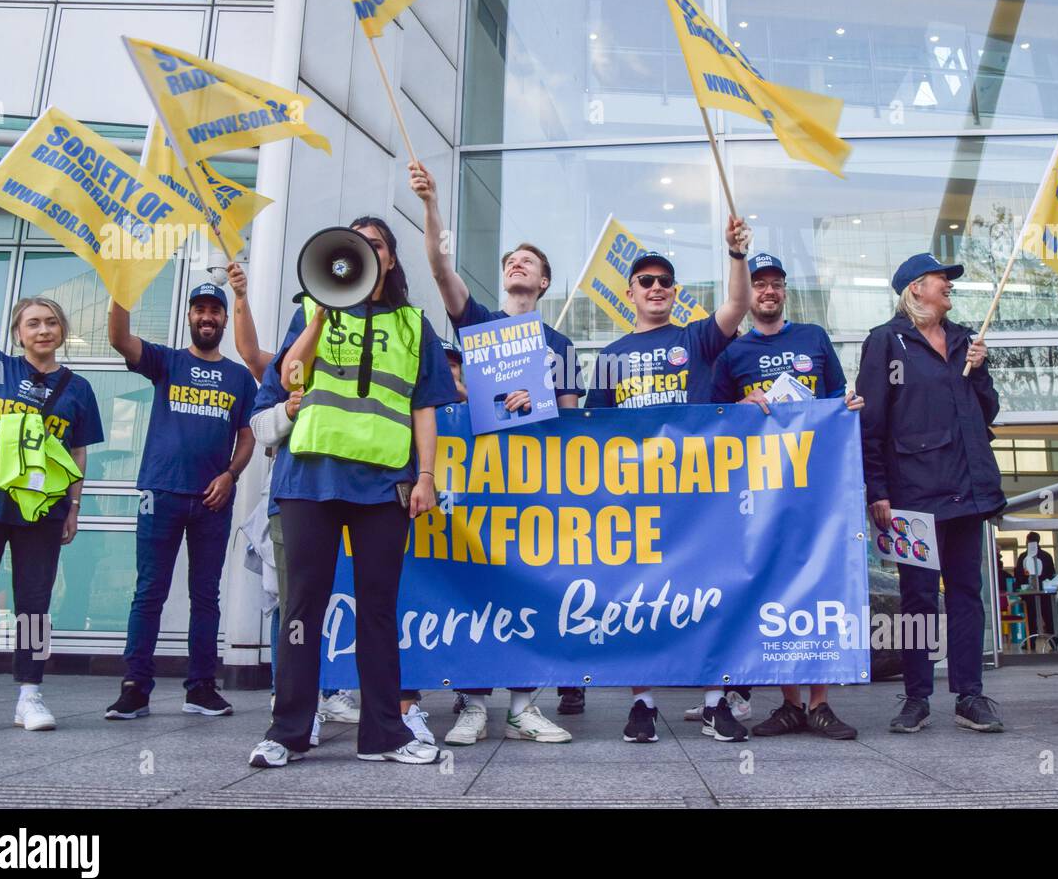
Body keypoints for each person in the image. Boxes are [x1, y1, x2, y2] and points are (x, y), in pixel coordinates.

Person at [248, 215, 457, 768]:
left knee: (378, 611)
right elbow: (289, 377)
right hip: (310, 480)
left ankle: (383, 734)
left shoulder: (414, 324)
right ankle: (287, 730)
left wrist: (427, 477)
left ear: (390, 259)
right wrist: (322, 310)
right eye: (356, 244)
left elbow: (424, 407)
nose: (367, 251)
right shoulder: (311, 311)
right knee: (301, 608)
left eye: (377, 245)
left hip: (385, 483)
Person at [410, 160, 582, 741]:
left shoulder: (560, 343)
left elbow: (573, 413)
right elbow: (438, 267)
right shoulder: (477, 322)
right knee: (479, 583)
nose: (516, 263)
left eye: (528, 262)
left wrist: (535, 405)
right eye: (512, 259)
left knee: (529, 586)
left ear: (543, 283)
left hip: (534, 485)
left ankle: (524, 705)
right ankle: (474, 705)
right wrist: (433, 204)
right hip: (480, 482)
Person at [586, 217, 752, 743]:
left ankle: (712, 701)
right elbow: (592, 431)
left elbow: (738, 306)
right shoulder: (610, 357)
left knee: (708, 593)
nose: (655, 287)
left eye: (664, 282)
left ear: (674, 293)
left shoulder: (695, 337)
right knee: (635, 597)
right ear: (630, 292)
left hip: (699, 495)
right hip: (635, 500)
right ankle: (642, 704)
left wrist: (735, 255)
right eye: (646, 281)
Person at [711, 252, 863, 741]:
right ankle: (788, 703)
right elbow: (712, 419)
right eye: (760, 284)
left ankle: (820, 703)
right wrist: (739, 405)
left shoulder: (813, 338)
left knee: (819, 585)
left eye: (777, 283)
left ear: (784, 293)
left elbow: (841, 398)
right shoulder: (733, 352)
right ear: (748, 294)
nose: (769, 291)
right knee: (774, 589)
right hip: (761, 491)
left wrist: (850, 405)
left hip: (818, 488)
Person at [857, 252, 1007, 734]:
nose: (950, 285)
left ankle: (970, 695)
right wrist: (876, 488)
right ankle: (916, 697)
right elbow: (871, 423)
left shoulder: (965, 339)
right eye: (943, 278)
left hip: (967, 489)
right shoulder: (885, 342)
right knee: (918, 596)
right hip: (912, 493)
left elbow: (987, 411)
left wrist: (980, 371)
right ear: (916, 288)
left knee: (967, 592)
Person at [227, 262, 373, 731]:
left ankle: (326, 693)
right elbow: (253, 359)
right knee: (294, 603)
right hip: (293, 497)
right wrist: (242, 297)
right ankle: (290, 701)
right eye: (309, 312)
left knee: (329, 600)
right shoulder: (291, 363)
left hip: (346, 499)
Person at [0, 298, 103, 732]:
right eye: (32, 323)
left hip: (43, 510)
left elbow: (77, 451)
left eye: (52, 322)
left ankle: (29, 695)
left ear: (61, 331)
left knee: (34, 604)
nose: (43, 330)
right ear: (18, 333)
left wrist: (73, 505)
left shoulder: (78, 388)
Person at [105, 284, 256, 720]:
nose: (207, 317)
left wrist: (231, 475)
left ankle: (201, 688)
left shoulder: (239, 377)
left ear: (225, 320)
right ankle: (135, 688)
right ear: (190, 316)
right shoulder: (166, 361)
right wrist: (122, 283)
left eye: (215, 310)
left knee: (206, 596)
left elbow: (246, 434)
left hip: (212, 500)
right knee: (149, 592)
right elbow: (119, 338)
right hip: (162, 493)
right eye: (200, 309)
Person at [1014, 530, 1057, 640]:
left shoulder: (1023, 556)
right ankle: (1053, 640)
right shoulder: (1047, 556)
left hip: (1029, 592)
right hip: (1045, 591)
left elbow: (1018, 574)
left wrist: (1021, 586)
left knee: (1030, 616)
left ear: (1027, 541)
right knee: (1048, 616)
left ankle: (1031, 641)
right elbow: (1052, 573)